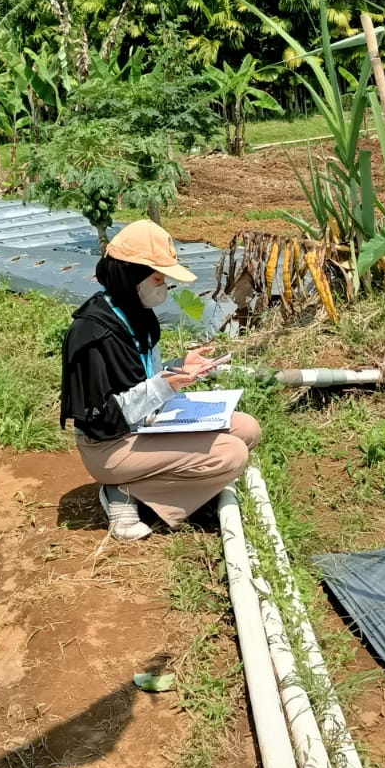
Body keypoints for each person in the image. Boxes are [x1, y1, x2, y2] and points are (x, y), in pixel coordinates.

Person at [60, 220, 262, 541]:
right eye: (158, 277)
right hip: (110, 446)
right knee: (231, 454)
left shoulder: (139, 315)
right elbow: (101, 420)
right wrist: (167, 384)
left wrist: (179, 366)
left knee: (247, 429)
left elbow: (142, 378)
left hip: (145, 426)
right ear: (131, 276)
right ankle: (124, 490)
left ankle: (146, 486)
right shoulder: (91, 335)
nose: (164, 285)